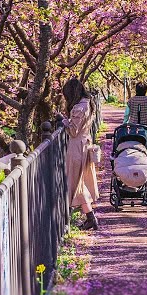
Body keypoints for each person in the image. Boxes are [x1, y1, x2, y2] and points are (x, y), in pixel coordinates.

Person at [62, 77, 101, 230]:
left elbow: (73, 130)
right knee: (79, 182)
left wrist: (64, 121)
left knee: (76, 182)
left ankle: (89, 217)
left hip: (77, 147)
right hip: (84, 144)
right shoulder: (88, 104)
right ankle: (89, 216)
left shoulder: (79, 107)